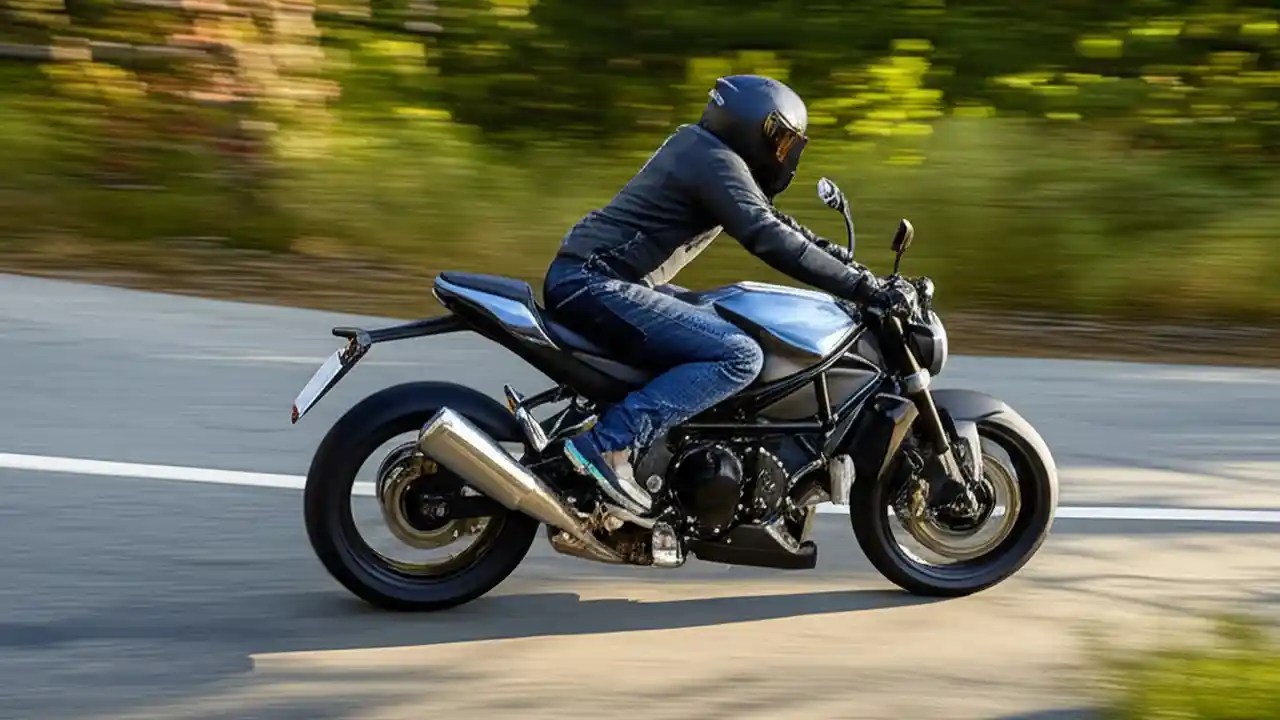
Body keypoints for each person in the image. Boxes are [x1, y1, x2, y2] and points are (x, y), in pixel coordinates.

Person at [542, 74, 889, 517]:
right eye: (780, 140)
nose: (784, 154)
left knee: (720, 313)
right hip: (595, 282)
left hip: (606, 281)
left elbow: (776, 223)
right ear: (752, 126)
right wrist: (861, 287)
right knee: (739, 355)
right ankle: (609, 445)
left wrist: (852, 266)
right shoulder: (713, 160)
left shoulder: (707, 154)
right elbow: (766, 236)